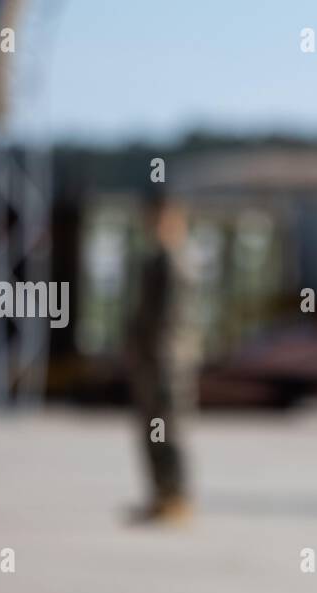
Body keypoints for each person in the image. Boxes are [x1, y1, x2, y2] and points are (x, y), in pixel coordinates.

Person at [125, 191, 197, 524]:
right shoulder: (154, 259)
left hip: (168, 358)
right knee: (151, 428)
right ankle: (160, 495)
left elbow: (170, 318)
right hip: (150, 357)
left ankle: (177, 497)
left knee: (169, 428)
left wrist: (159, 353)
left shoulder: (176, 260)